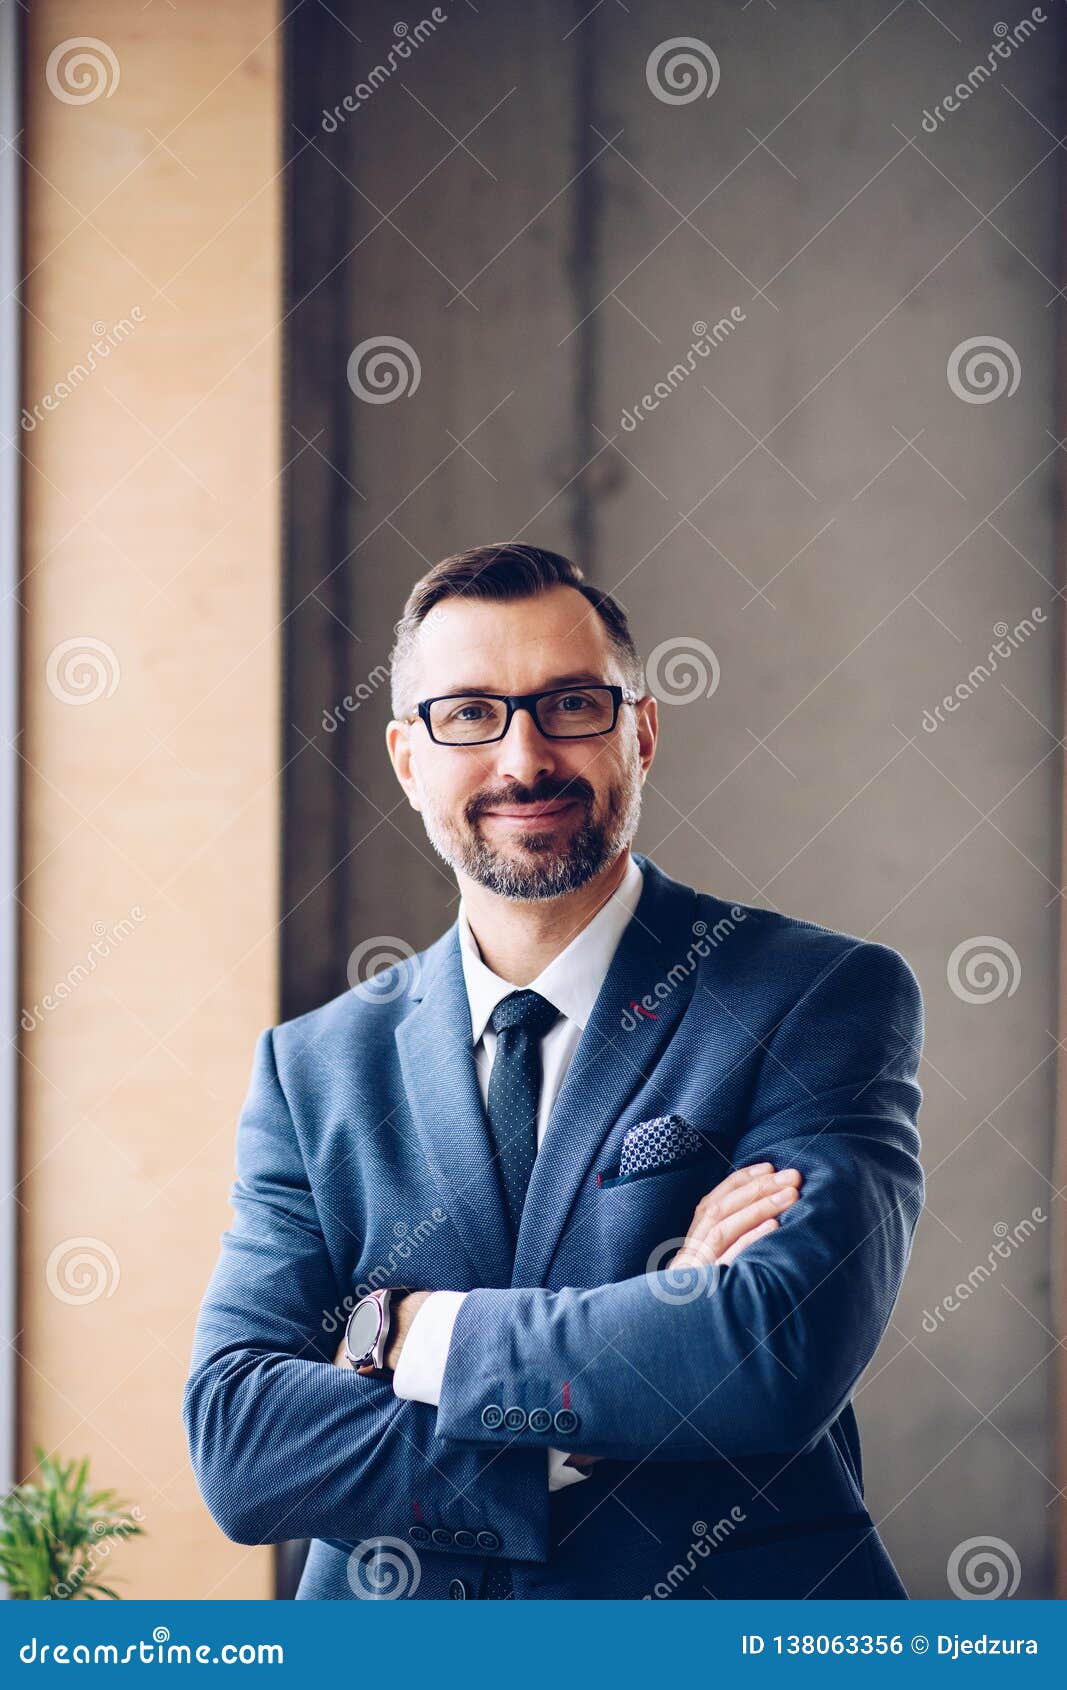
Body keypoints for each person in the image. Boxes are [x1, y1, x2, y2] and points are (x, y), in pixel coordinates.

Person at [183, 543, 925, 1601]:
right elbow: (241, 1440)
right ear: (407, 758)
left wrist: (399, 1329)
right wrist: (626, 1368)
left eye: (571, 705)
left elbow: (768, 1354)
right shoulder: (313, 1069)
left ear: (641, 731)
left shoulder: (812, 996)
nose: (523, 759)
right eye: (468, 714)